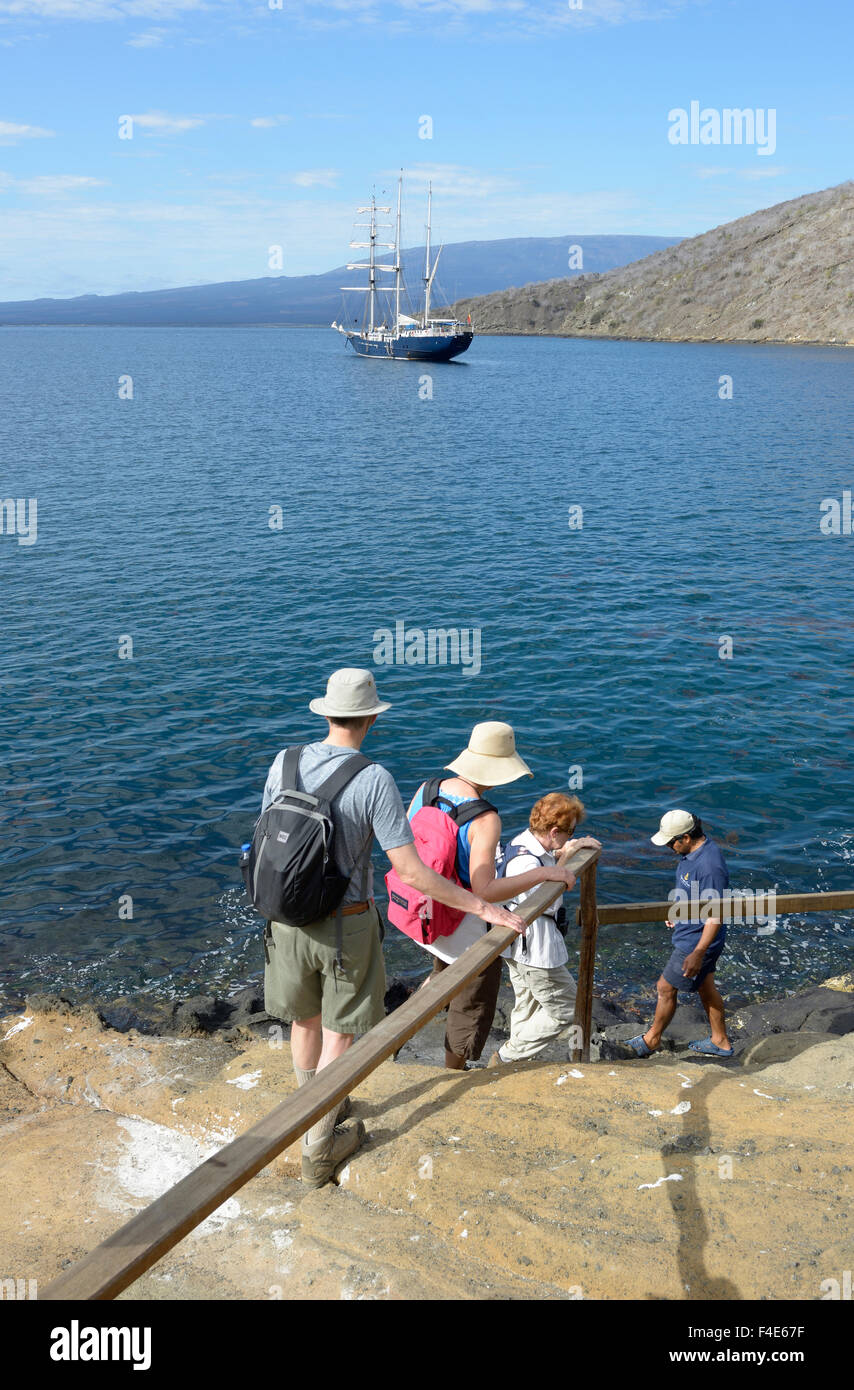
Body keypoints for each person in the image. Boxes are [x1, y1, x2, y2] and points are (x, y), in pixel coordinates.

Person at [261, 669, 525, 1187]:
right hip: (346, 924)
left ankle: (317, 1109)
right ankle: (320, 1146)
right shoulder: (373, 777)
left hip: (284, 919)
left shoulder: (283, 761)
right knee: (340, 1031)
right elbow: (409, 871)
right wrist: (481, 906)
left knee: (304, 1021)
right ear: (371, 719)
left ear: (328, 713)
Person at [406, 722, 579, 1070]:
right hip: (464, 925)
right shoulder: (485, 817)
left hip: (427, 911)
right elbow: (484, 889)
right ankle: (454, 1072)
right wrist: (545, 871)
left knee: (444, 973)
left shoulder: (427, 789)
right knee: (472, 1000)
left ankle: (420, 1009)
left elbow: (413, 849)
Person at [489, 793, 601, 1064]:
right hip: (535, 949)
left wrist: (565, 850)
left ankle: (513, 1063)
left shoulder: (521, 843)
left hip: (514, 943)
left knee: (526, 1004)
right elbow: (547, 903)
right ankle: (506, 1057)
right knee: (565, 1009)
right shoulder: (527, 863)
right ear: (553, 832)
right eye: (569, 831)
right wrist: (564, 861)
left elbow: (546, 863)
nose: (570, 835)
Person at [626, 809, 733, 1059]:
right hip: (693, 932)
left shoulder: (710, 866)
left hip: (697, 940)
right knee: (706, 987)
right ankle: (721, 1041)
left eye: (671, 842)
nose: (668, 848)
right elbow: (691, 891)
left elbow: (715, 915)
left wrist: (698, 952)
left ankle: (651, 1039)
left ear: (685, 837)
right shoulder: (692, 853)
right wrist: (678, 909)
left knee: (665, 988)